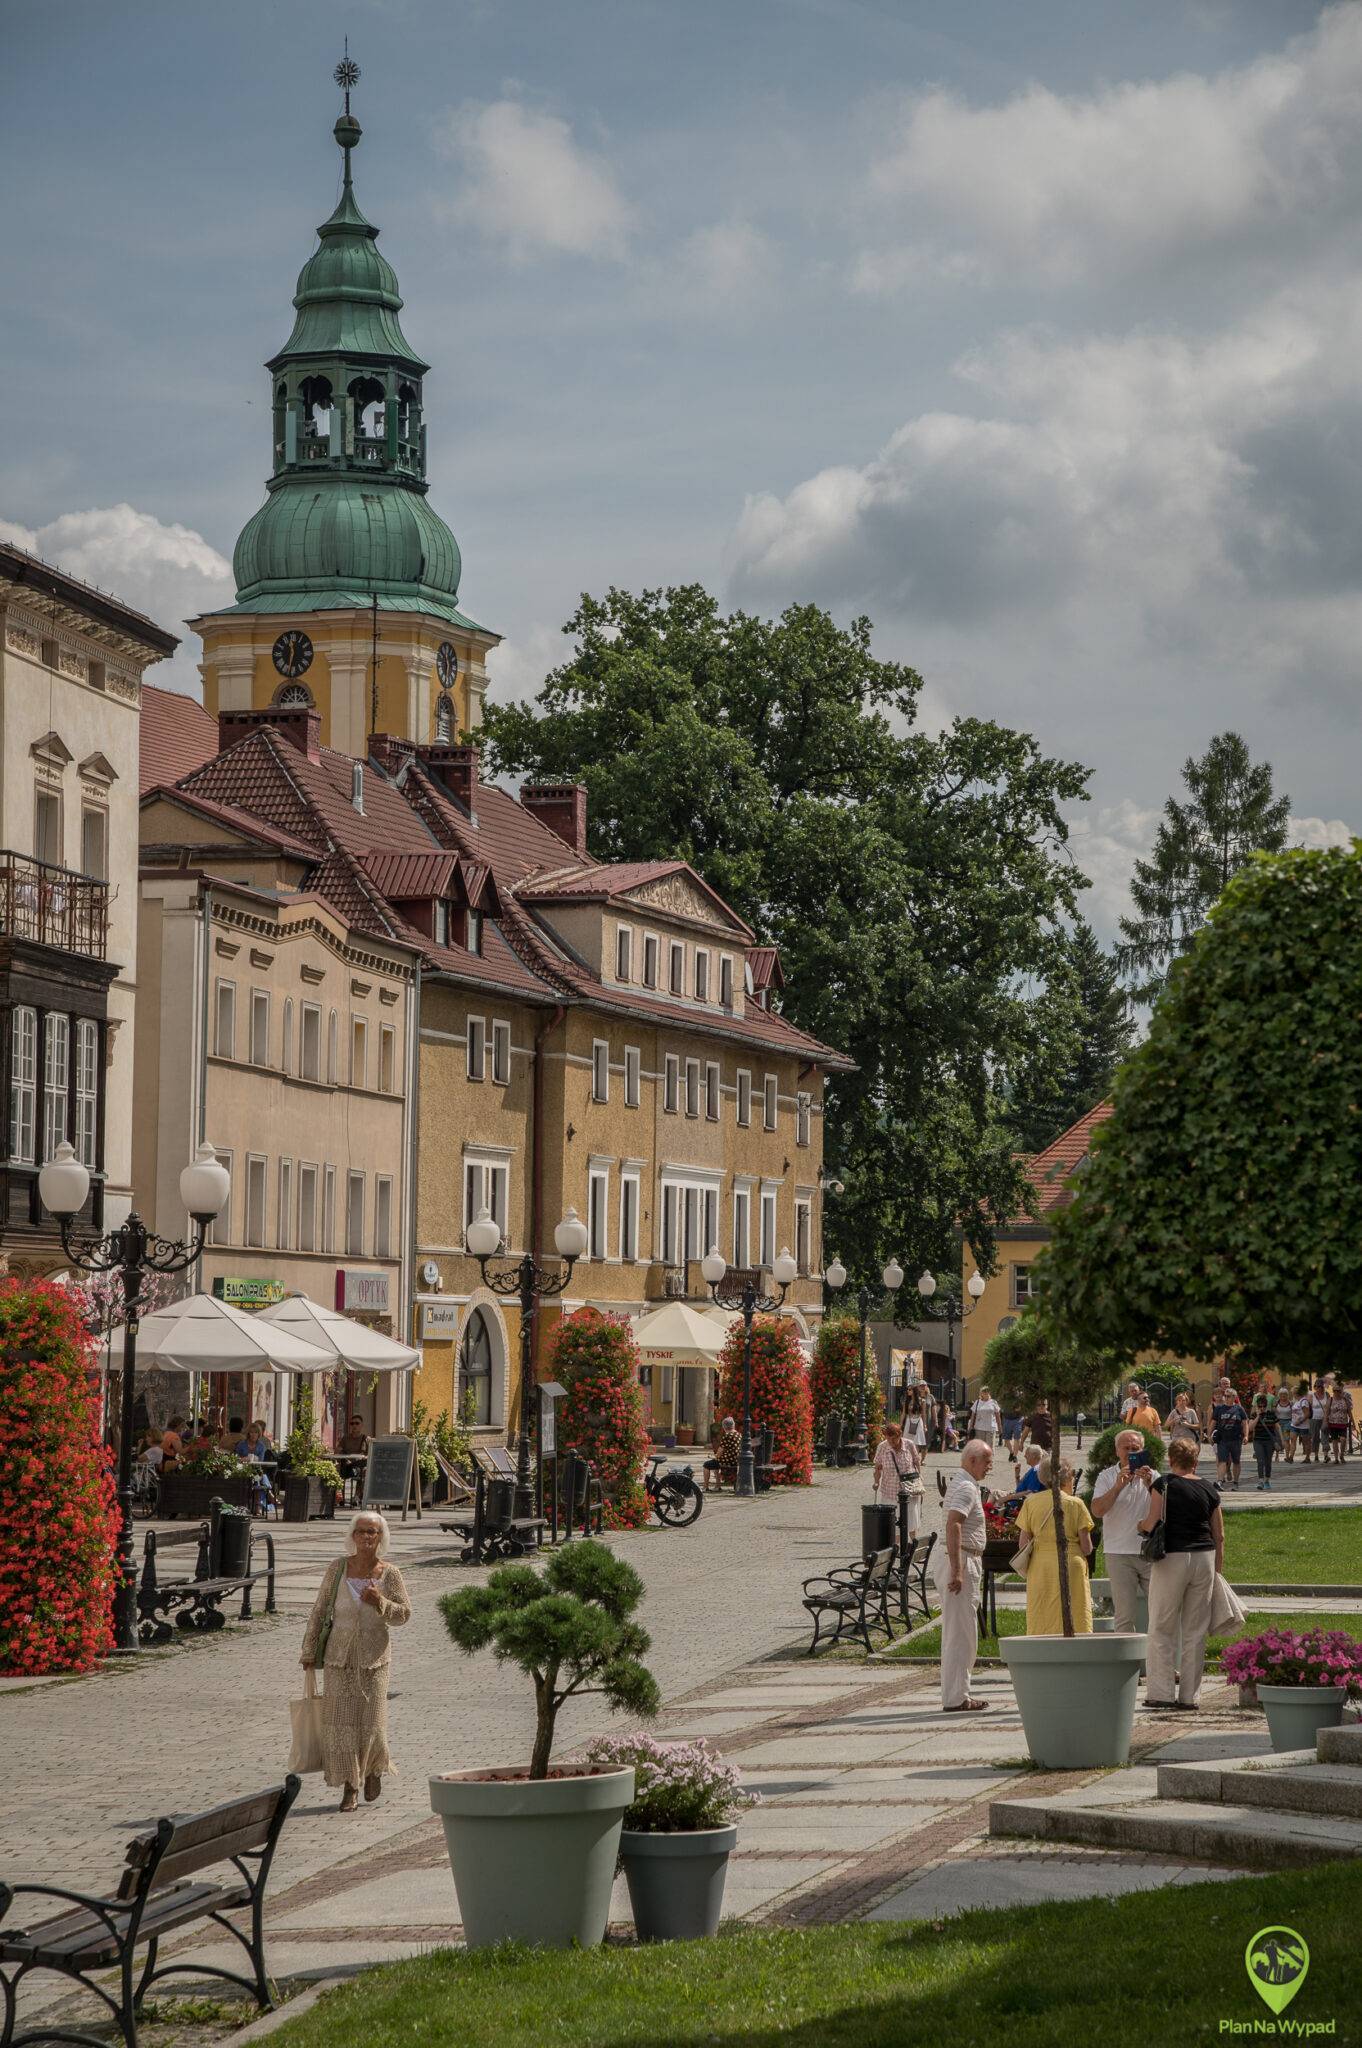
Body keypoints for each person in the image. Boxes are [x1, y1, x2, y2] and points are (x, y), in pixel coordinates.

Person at [301, 1511, 412, 1812]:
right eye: (361, 1531)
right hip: (339, 1657)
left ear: (381, 1537)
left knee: (372, 1723)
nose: (366, 1537)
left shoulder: (390, 1574)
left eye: (372, 1532)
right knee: (341, 1724)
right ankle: (351, 1786)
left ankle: (374, 1768)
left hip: (374, 1658)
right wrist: (309, 1652)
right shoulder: (338, 1568)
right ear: (352, 1536)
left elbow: (404, 1615)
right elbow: (320, 1609)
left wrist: (381, 1603)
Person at [1139, 1436, 1224, 1710]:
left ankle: (1161, 1692)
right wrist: (1217, 1569)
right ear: (1196, 1461)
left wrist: (1140, 1525)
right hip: (1205, 1558)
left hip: (1172, 1557)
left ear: (1171, 1460)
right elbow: (1219, 1535)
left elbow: (1151, 1523)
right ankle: (1190, 1696)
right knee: (1195, 1630)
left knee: (1162, 1625)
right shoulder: (1210, 1489)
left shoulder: (1163, 1484)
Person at [933, 1440, 993, 1712]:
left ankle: (956, 1694)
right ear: (972, 1460)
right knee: (962, 1636)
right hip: (962, 1560)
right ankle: (957, 1698)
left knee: (960, 1633)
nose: (990, 1466)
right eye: (987, 1461)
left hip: (962, 1559)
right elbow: (954, 1524)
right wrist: (958, 1570)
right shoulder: (966, 1487)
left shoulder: (964, 1483)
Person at [1015, 1458, 1094, 1635]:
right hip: (1071, 1561)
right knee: (1076, 1610)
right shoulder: (1076, 1503)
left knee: (1042, 1611)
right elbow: (1087, 1547)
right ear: (1066, 1477)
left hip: (1040, 1564)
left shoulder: (1031, 1502)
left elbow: (1023, 1543)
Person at [1091, 1429, 1156, 1632]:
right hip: (1118, 1552)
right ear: (1117, 1450)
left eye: (1135, 1449)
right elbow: (1097, 1511)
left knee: (1160, 1611)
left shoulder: (1153, 1476)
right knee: (1124, 1616)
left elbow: (1164, 1512)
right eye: (1126, 1448)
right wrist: (1118, 1487)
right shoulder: (1107, 1476)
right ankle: (1127, 1662)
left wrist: (1150, 1485)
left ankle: (1157, 1662)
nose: (1130, 1453)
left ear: (1142, 1451)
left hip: (1148, 1552)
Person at [871, 1421, 922, 1539]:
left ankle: (913, 1547)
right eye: (888, 1439)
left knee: (911, 1523)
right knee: (893, 1526)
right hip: (890, 1491)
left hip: (909, 1490)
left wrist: (919, 1478)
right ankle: (896, 1550)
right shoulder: (882, 1447)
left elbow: (916, 1462)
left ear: (900, 1435)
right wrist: (876, 1481)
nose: (891, 1443)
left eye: (893, 1439)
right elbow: (878, 1468)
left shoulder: (909, 1444)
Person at [1210, 1380, 1247, 1490]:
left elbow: (1245, 1423)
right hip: (1222, 1440)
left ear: (1234, 1397)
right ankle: (1220, 1481)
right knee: (1222, 1461)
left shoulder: (1239, 1409)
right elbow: (1213, 1422)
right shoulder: (1219, 1409)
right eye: (1225, 1396)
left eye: (1229, 1396)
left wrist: (1246, 1436)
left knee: (1236, 1461)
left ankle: (1235, 1482)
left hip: (1236, 1439)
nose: (1226, 1398)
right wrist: (1209, 1435)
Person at [1247, 1394, 1283, 1491]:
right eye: (1260, 1406)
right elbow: (1250, 1428)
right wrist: (1258, 1416)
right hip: (1258, 1441)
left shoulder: (1271, 1414)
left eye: (1263, 1406)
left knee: (1268, 1462)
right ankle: (1260, 1481)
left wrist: (1281, 1440)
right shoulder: (1254, 1415)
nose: (1262, 1408)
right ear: (1257, 1406)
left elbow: (1278, 1427)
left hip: (1269, 1441)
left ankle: (1267, 1480)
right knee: (1260, 1461)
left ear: (1266, 1406)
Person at [704, 1415, 740, 1492]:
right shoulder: (739, 1434)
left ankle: (705, 1487)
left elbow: (720, 1451)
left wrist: (715, 1456)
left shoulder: (727, 1435)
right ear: (733, 1425)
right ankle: (717, 1486)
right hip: (737, 1460)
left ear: (724, 1427)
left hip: (729, 1461)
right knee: (715, 1462)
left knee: (706, 1465)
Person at [1326, 1381, 1353, 1465]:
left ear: (1341, 1391)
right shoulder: (1330, 1399)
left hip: (1343, 1423)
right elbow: (1327, 1412)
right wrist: (1325, 1422)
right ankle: (1336, 1458)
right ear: (1333, 1391)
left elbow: (1349, 1412)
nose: (1337, 1392)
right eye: (1335, 1391)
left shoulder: (1345, 1399)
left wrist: (1352, 1422)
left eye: (1339, 1391)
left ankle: (1342, 1454)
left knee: (1343, 1439)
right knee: (1334, 1441)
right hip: (1332, 1423)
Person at [1286, 1381, 1311, 1465]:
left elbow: (1307, 1414)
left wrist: (1299, 1421)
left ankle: (1307, 1458)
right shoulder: (1296, 1401)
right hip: (1294, 1425)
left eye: (1294, 1393)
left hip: (1303, 1426)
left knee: (1305, 1442)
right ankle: (1291, 1457)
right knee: (1293, 1440)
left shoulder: (1304, 1401)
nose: (1293, 1395)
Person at [1308, 1379, 1327, 1463]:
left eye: (1321, 1386)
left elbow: (1329, 1407)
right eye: (1317, 1386)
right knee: (1315, 1437)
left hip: (1324, 1419)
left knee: (1324, 1436)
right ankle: (1316, 1456)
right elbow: (1308, 1408)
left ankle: (1326, 1455)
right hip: (1314, 1419)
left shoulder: (1327, 1395)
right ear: (1315, 1387)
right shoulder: (1311, 1396)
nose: (1319, 1388)